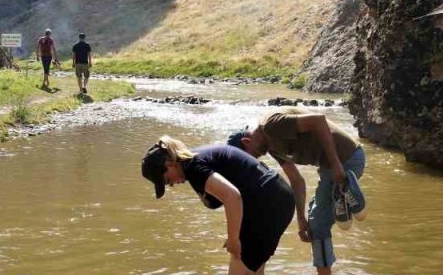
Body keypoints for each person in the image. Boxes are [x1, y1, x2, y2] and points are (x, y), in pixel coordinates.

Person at [228, 107, 366, 275]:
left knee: (318, 224)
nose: (257, 158)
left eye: (252, 156)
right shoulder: (270, 146)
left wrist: (337, 164)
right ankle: (345, 194)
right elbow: (297, 180)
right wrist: (300, 218)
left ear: (246, 142)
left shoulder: (271, 125)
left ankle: (346, 190)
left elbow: (319, 121)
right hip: (329, 166)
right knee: (312, 214)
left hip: (345, 160)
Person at [142, 136, 295, 275]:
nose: (171, 185)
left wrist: (233, 240)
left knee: (240, 263)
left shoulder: (194, 167)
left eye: (167, 180)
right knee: (253, 270)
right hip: (279, 195)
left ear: (170, 164)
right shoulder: (196, 160)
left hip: (265, 202)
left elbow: (232, 197)